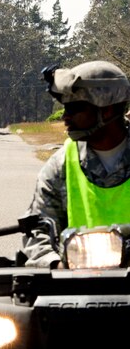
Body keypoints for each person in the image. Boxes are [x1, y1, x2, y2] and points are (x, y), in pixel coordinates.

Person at [23, 60, 130, 268]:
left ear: (106, 110)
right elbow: (39, 231)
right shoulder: (61, 164)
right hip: (78, 286)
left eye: (74, 109)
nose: (65, 117)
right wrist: (56, 265)